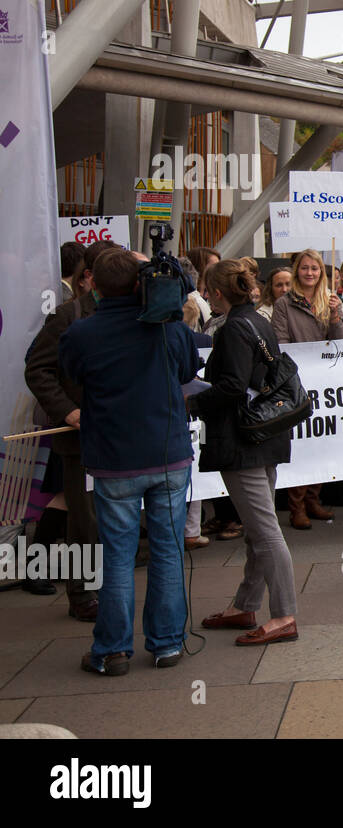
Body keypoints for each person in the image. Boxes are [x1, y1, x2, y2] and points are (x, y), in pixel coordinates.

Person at [59, 248, 201, 675]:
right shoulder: (169, 330)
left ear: (94, 284)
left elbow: (71, 373)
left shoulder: (83, 333)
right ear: (142, 284)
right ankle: (167, 644)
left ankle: (112, 650)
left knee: (117, 556)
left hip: (114, 458)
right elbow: (188, 371)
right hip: (167, 455)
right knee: (168, 550)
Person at [192, 260, 299, 645]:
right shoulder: (256, 320)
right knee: (259, 528)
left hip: (242, 439)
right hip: (262, 435)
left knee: (265, 531)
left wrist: (194, 402)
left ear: (216, 293)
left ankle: (284, 615)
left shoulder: (235, 327)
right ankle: (245, 604)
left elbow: (234, 387)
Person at [23, 239, 122, 618]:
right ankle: (82, 596)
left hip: (119, 435)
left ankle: (107, 585)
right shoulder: (68, 316)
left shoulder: (131, 312)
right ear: (90, 277)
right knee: (85, 518)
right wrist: (68, 412)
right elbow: (38, 369)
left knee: (112, 516)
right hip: (79, 439)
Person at [272, 249, 343, 529]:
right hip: (297, 378)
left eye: (315, 268)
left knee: (321, 442)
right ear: (296, 271)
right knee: (301, 444)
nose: (310, 273)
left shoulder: (328, 301)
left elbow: (339, 341)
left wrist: (337, 314)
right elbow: (280, 341)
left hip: (323, 382)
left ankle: (314, 498)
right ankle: (297, 505)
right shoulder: (284, 304)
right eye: (305, 268)